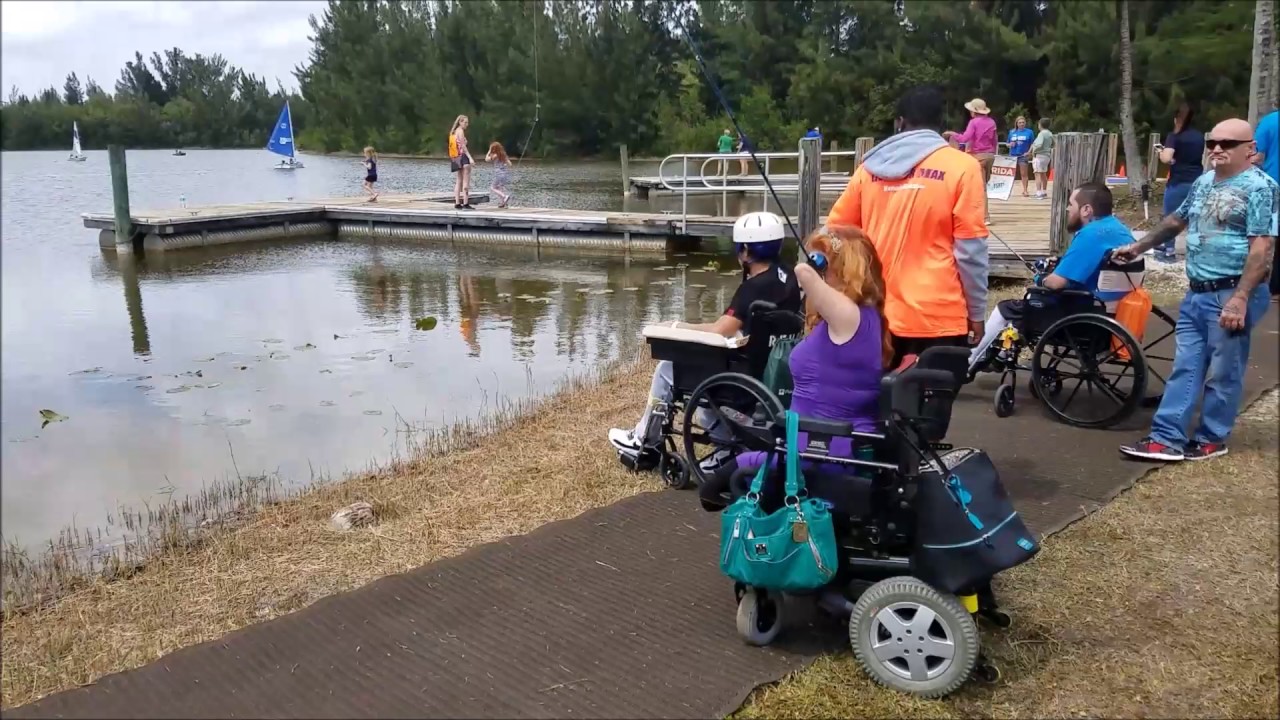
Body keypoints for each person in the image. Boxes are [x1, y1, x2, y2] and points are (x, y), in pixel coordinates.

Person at [1115, 118, 1277, 462]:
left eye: (1228, 144)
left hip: (1232, 291)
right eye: (1212, 143)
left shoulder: (1260, 187)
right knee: (1186, 365)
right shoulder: (1204, 181)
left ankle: (1211, 438)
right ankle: (1166, 438)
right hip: (1198, 290)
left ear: (1250, 150)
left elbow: (1262, 247)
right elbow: (1178, 220)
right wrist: (1139, 246)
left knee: (1223, 370)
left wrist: (1241, 299)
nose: (1217, 149)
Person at [698, 225, 892, 509]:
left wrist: (815, 262)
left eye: (821, 262)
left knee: (713, 491)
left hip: (820, 452)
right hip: (812, 443)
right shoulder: (862, 316)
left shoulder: (849, 318)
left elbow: (802, 273)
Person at [607, 211, 802, 468]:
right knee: (703, 402)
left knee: (667, 369)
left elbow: (721, 330)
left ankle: (644, 439)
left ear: (744, 250)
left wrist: (677, 326)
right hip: (769, 369)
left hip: (744, 374)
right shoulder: (787, 276)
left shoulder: (752, 288)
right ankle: (725, 449)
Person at [826, 84, 989, 368]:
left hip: (874, 314)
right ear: (941, 125)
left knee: (875, 408)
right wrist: (976, 312)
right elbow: (971, 251)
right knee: (929, 409)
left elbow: (836, 233)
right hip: (939, 317)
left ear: (899, 122)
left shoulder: (868, 169)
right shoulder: (963, 167)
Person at [968, 182, 1134, 374]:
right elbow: (1091, 264)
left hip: (1083, 317)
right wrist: (1062, 263)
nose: (1067, 209)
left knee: (1007, 308)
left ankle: (971, 362)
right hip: (1114, 313)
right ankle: (1001, 355)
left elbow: (1056, 283)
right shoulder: (1119, 229)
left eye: (1071, 204)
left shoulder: (1090, 235)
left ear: (1086, 210)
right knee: (1033, 301)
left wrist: (1041, 278)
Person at [1155, 101, 1205, 262]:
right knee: (1194, 218)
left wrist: (1161, 152)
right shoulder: (1199, 137)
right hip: (1197, 180)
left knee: (1171, 217)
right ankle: (1196, 253)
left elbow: (1167, 158)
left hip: (1178, 182)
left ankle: (1169, 251)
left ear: (1177, 118)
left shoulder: (1174, 136)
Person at [944, 98, 998, 223]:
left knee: (980, 188)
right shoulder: (992, 122)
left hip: (978, 156)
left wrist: (952, 134)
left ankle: (984, 217)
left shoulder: (973, 122)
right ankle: (982, 214)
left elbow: (964, 138)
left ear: (974, 112)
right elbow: (994, 140)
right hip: (990, 156)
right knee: (984, 186)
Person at [1252, 108, 1279, 297]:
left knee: (1264, 236)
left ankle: (1264, 285)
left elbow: (1256, 157)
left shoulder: (1270, 121)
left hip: (1272, 185)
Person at [448, 115, 475, 210]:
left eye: (467, 122)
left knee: (458, 181)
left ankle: (457, 203)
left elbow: (459, 144)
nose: (467, 124)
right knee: (466, 181)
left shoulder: (454, 132)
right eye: (465, 122)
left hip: (455, 157)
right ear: (460, 122)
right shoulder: (461, 131)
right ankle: (466, 203)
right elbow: (463, 147)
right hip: (463, 157)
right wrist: (470, 158)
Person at [1007, 116, 1035, 197]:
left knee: (1024, 174)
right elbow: (1007, 143)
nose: (1021, 124)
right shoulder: (1012, 132)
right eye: (1020, 122)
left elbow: (1033, 143)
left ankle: (1025, 190)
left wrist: (1029, 152)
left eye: (1023, 122)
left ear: (1025, 123)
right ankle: (1008, 191)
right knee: (1011, 174)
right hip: (1013, 155)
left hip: (1023, 155)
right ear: (1017, 123)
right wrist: (1010, 145)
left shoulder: (1029, 132)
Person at [1030, 118, 1055, 199]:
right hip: (1047, 156)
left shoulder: (1041, 134)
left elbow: (1039, 144)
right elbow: (1054, 143)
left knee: (1037, 174)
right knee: (1043, 174)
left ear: (1040, 125)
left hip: (1039, 155)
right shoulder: (1050, 133)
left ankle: (1038, 192)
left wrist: (1034, 151)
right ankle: (1044, 191)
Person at [485, 141, 513, 208]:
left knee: (493, 187)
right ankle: (503, 203)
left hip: (498, 174)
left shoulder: (495, 155)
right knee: (500, 188)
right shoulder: (504, 155)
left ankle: (504, 196)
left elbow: (486, 159)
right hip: (505, 174)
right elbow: (510, 164)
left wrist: (488, 152)